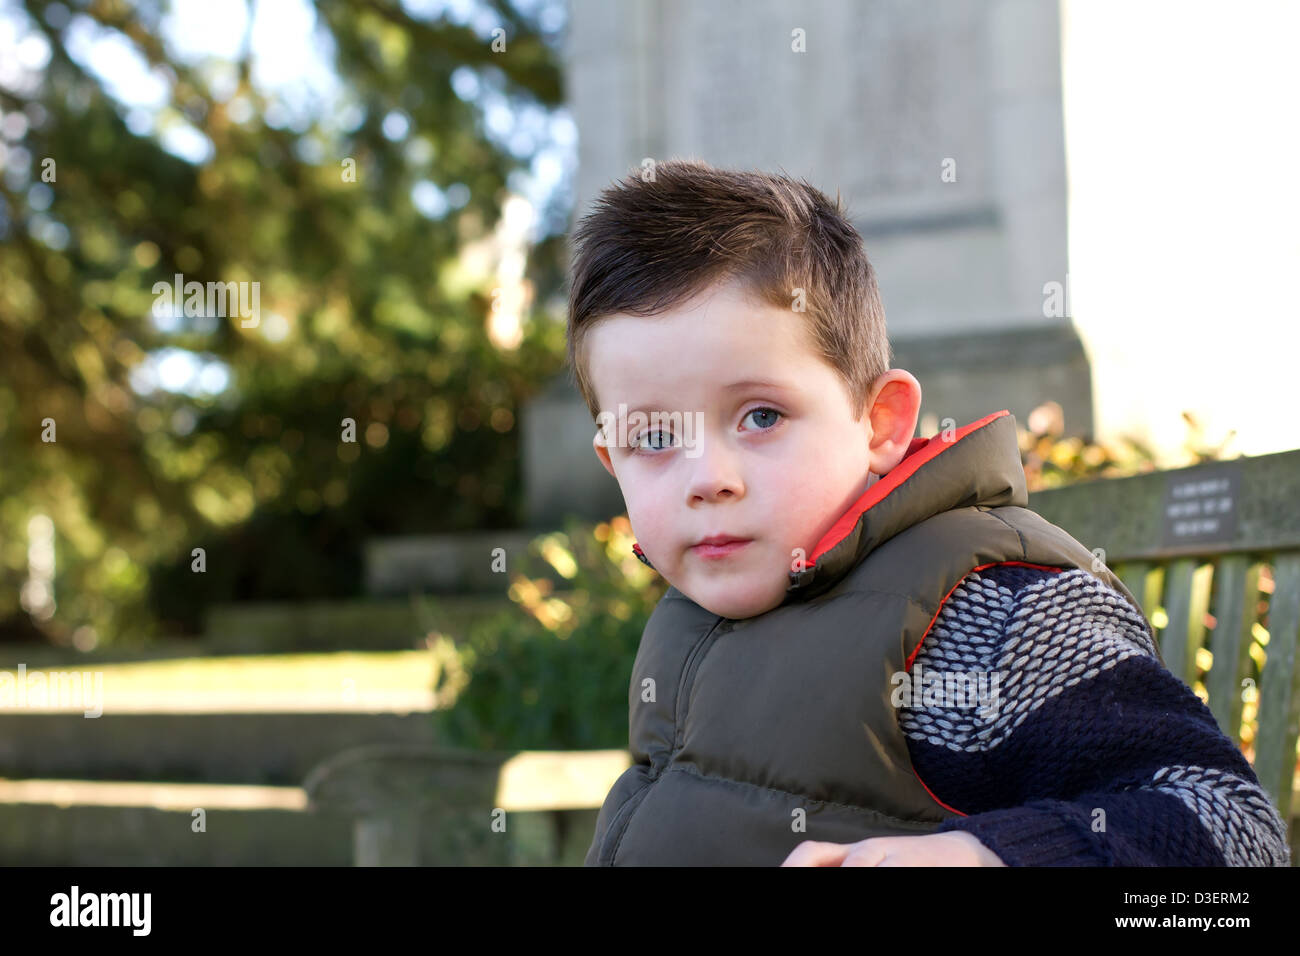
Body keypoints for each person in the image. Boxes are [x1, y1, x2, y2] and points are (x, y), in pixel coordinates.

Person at [565, 159, 1291, 866]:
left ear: (879, 424)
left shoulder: (984, 615)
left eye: (761, 417)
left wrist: (983, 856)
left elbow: (1231, 827)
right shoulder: (697, 623)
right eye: (655, 437)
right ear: (613, 462)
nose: (709, 479)